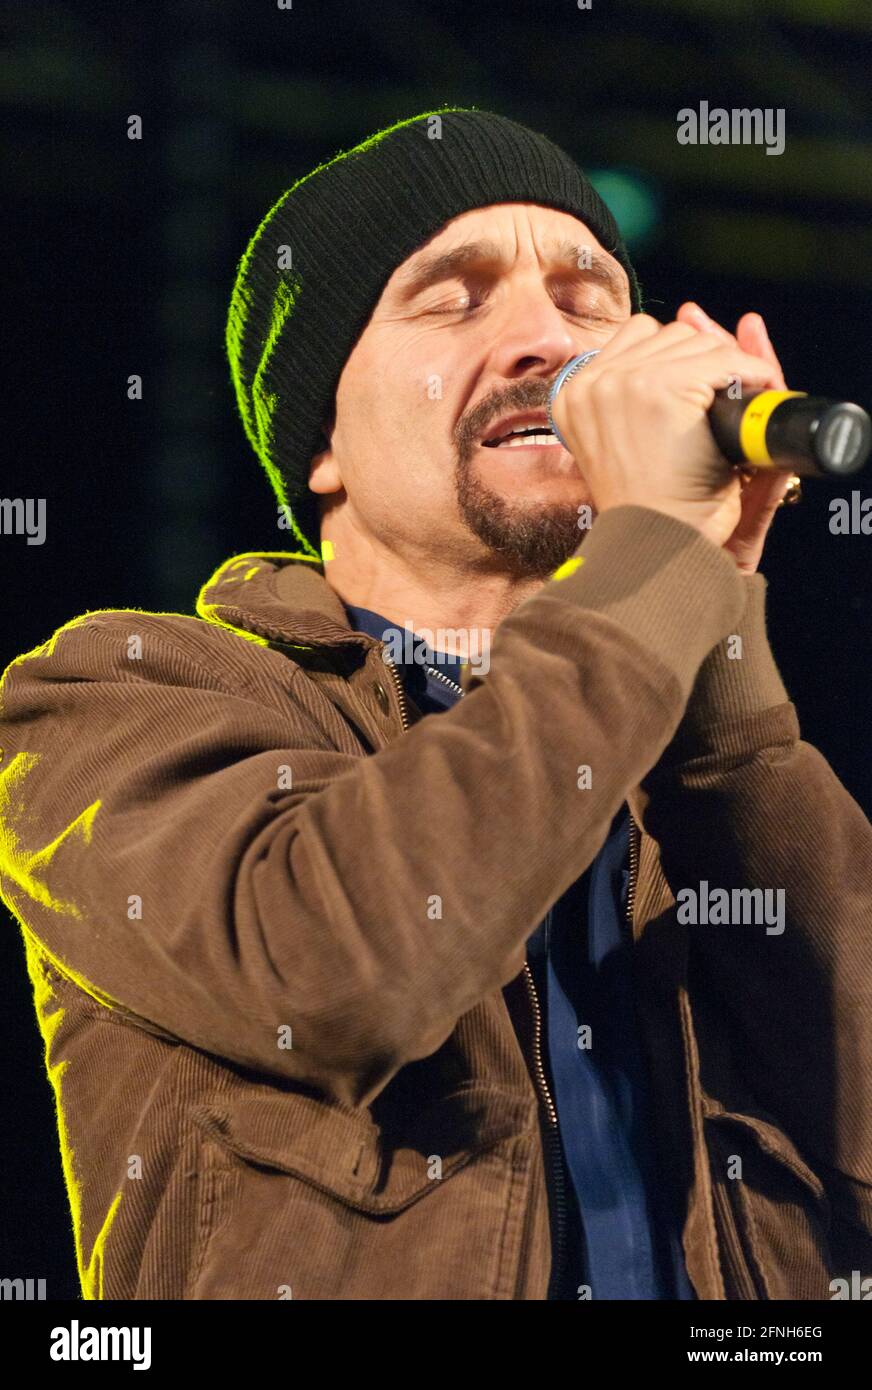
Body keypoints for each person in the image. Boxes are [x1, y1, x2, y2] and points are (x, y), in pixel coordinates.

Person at [1, 107, 870, 1301]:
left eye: (584, 299)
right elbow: (338, 967)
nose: (543, 343)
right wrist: (650, 569)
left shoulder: (679, 785)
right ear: (322, 446)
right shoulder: (116, 697)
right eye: (450, 300)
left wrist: (711, 639)